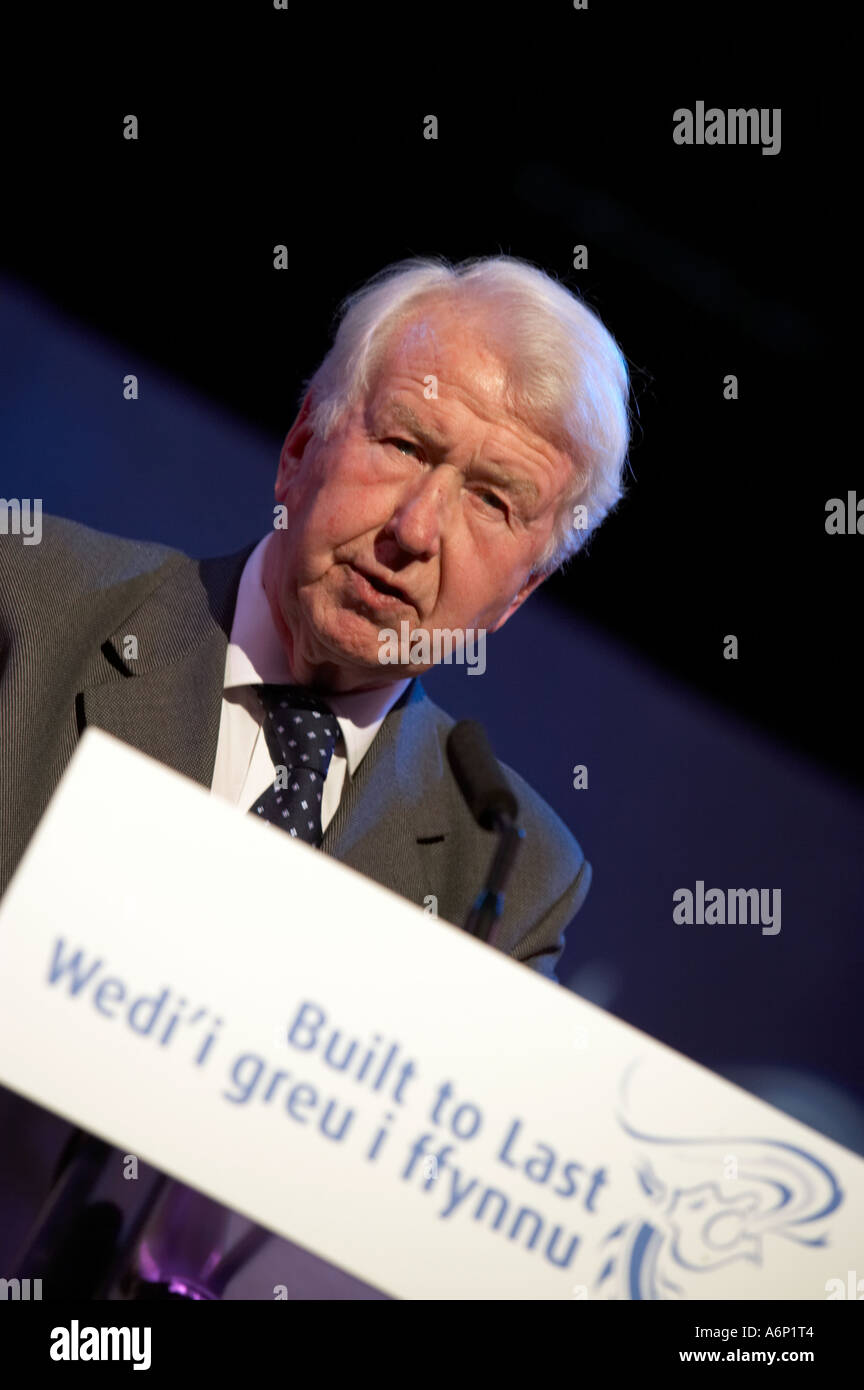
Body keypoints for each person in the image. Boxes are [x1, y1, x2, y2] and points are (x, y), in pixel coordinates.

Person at [0, 255, 631, 1296]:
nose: (416, 532)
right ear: (301, 446)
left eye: (491, 498)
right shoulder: (24, 607)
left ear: (519, 593)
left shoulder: (504, 874)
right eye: (404, 444)